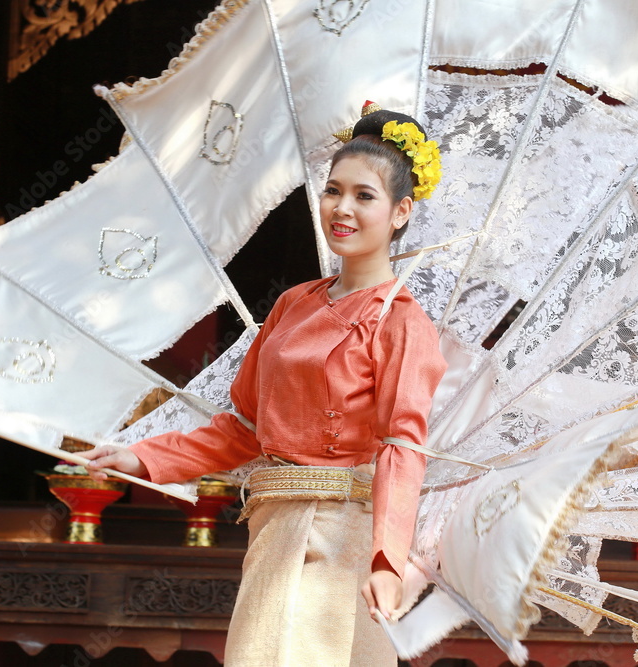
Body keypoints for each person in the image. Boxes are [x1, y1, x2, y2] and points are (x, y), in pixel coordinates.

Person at [83, 105, 446, 666]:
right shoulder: (292, 303)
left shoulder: (402, 322)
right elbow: (243, 429)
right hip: (273, 530)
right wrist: (142, 458)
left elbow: (403, 448)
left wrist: (386, 562)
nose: (342, 208)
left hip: (343, 538)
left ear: (401, 211)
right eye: (333, 191)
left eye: (364, 196)